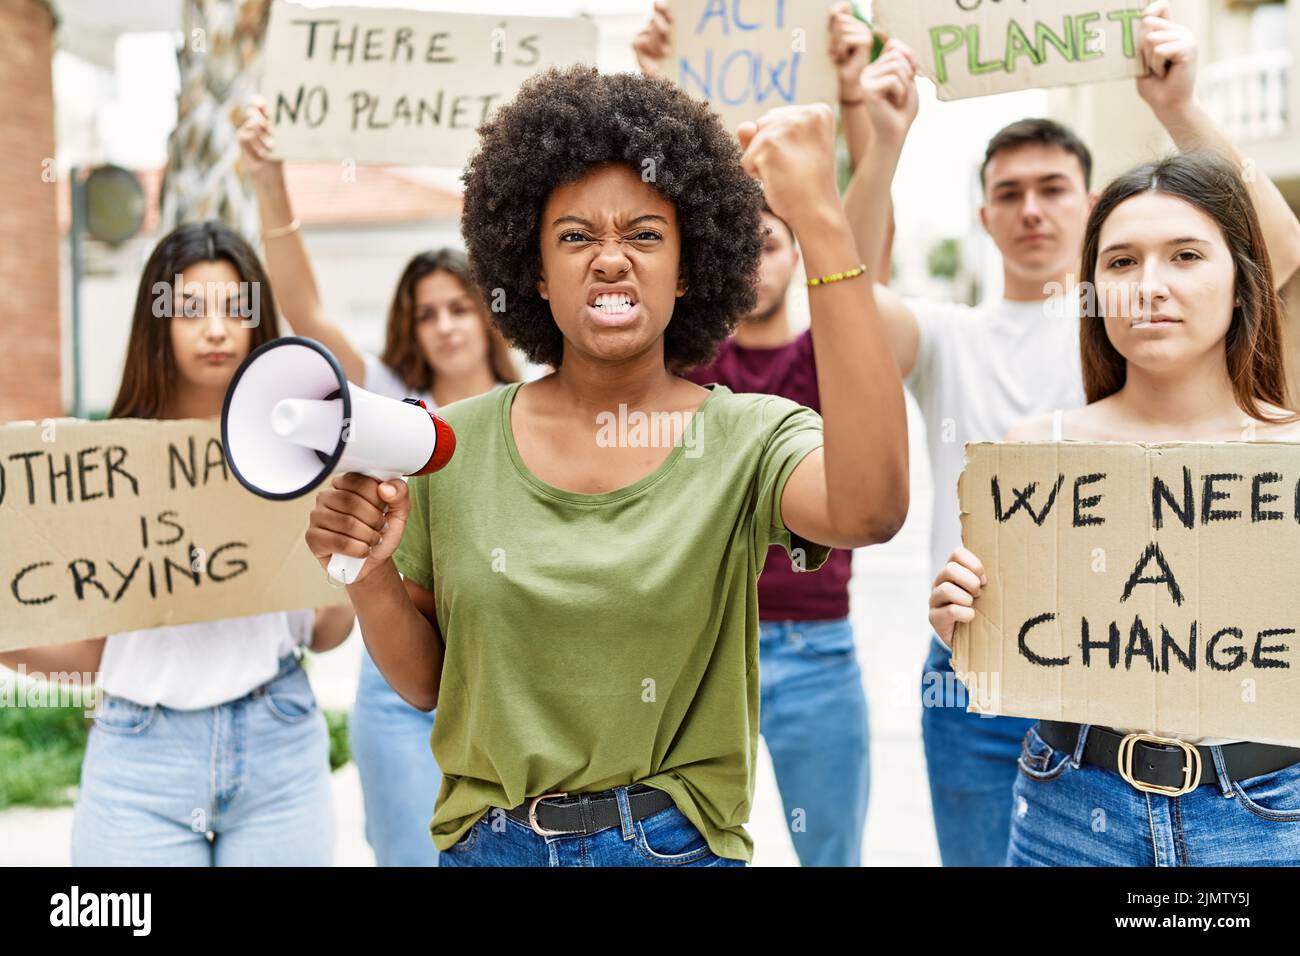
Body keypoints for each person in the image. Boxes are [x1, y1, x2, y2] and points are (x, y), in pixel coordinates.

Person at [303, 64, 911, 867]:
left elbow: (871, 510)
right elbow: (426, 686)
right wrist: (369, 571)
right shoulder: (447, 445)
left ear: (690, 269)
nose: (611, 258)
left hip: (674, 847)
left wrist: (822, 222)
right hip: (490, 848)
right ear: (536, 274)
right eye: (576, 236)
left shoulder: (747, 437)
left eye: (645, 234)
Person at [844, 0, 1300, 865]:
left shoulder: (1272, 435)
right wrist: (882, 144)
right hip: (1026, 707)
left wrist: (1177, 109)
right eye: (1123, 263)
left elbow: (1274, 247)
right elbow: (848, 295)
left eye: (1052, 188)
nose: (1149, 287)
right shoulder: (960, 344)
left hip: (1241, 776)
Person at [930, 150, 1300, 865]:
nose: (1149, 286)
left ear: (1240, 281)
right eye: (1122, 262)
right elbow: (1015, 643)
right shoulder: (1037, 452)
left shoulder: (1293, 458)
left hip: (1267, 814)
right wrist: (965, 621)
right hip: (1070, 808)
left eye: (1186, 255)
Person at [0, 222, 356, 866]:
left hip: (278, 741)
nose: (215, 329)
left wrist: (354, 561)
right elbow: (88, 648)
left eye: (234, 309)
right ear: (156, 323)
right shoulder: (102, 466)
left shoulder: (305, 448)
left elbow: (323, 632)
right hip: (140, 755)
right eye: (190, 310)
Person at [634, 1, 891, 867]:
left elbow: (856, 230)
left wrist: (856, 105)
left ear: (798, 252)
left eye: (774, 242)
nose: (756, 262)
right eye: (738, 247)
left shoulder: (835, 352)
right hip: (700, 648)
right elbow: (656, 201)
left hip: (817, 653)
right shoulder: (683, 362)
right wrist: (658, 83)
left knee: (832, 856)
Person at [238, 103, 521, 866]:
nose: (446, 325)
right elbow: (307, 312)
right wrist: (271, 188)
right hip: (401, 691)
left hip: (507, 684)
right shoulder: (390, 402)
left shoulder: (542, 402)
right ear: (411, 327)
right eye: (426, 313)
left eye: (461, 306)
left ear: (490, 314)